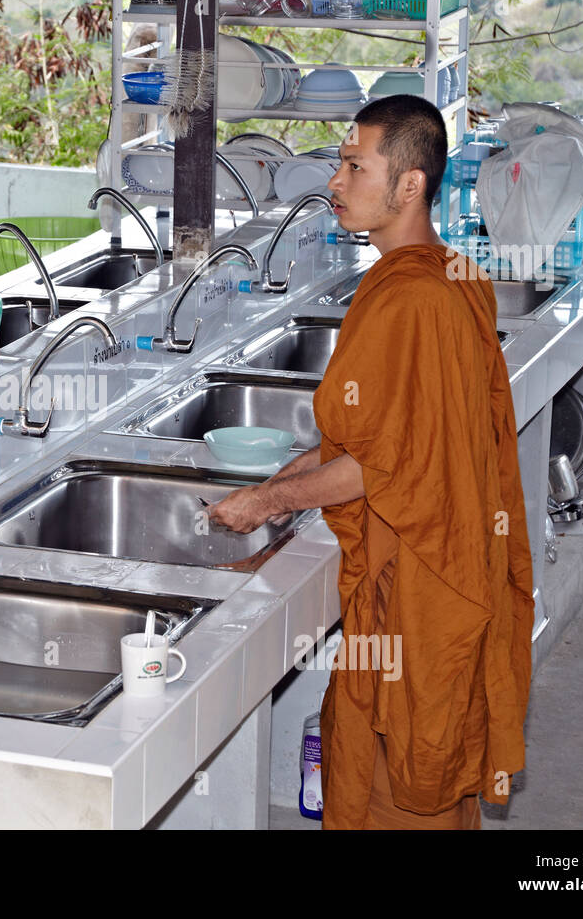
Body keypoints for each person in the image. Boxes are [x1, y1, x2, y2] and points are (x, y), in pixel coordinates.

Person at [208, 94, 534, 829]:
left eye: (356, 166)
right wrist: (284, 477)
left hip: (419, 578)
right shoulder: (452, 273)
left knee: (400, 779)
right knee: (404, 765)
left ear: (410, 184)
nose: (336, 181)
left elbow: (385, 467)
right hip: (447, 560)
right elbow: (387, 434)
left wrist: (266, 504)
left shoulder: (414, 299)